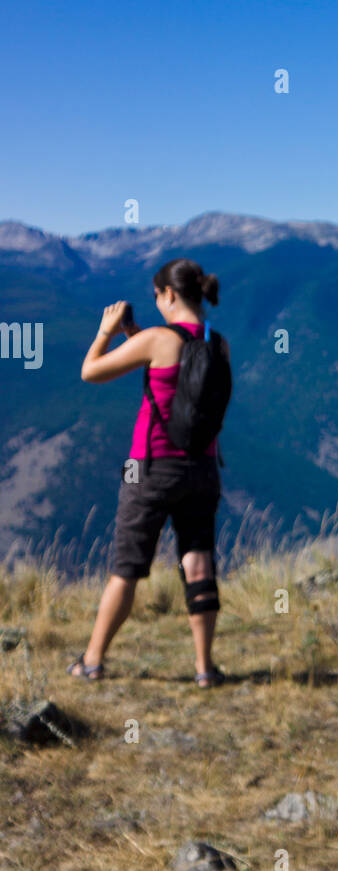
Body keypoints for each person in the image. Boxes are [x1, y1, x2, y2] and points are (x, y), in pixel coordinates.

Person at [67, 258, 230, 688]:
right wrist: (136, 337)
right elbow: (179, 374)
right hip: (203, 468)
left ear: (169, 295)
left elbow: (90, 372)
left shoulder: (158, 340)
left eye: (157, 295)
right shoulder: (219, 344)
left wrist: (107, 330)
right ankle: (205, 668)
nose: (156, 301)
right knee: (198, 563)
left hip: (149, 468)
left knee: (127, 567)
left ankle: (92, 661)